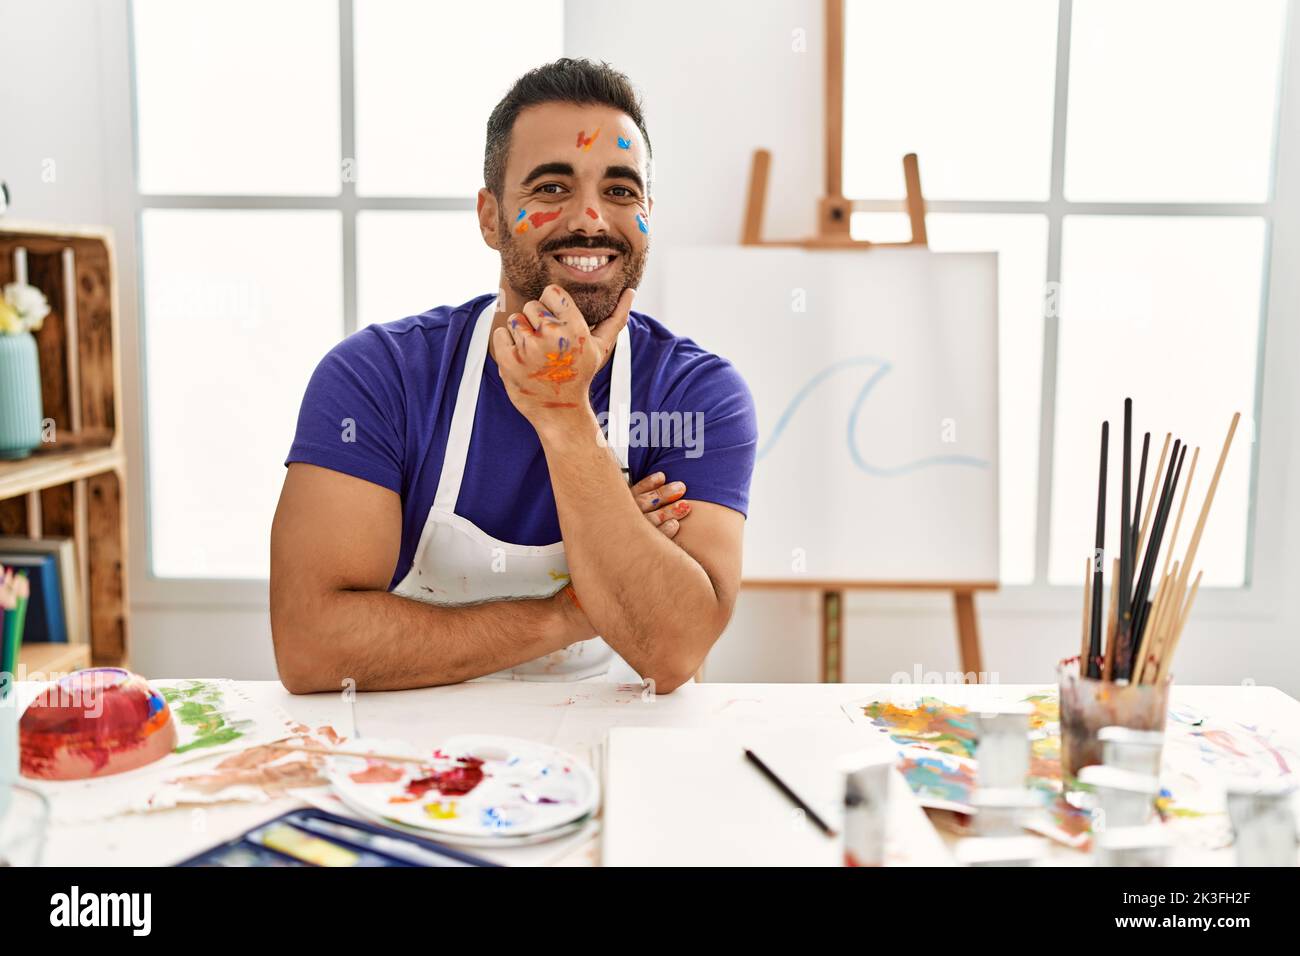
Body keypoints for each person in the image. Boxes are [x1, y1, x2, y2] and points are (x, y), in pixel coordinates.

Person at [270, 59, 756, 694]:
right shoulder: (378, 377)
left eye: (619, 190)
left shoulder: (699, 395)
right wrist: (569, 614)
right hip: (415, 770)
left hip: (623, 760)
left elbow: (671, 650)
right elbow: (311, 648)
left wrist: (564, 416)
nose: (590, 219)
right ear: (491, 217)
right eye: (552, 188)